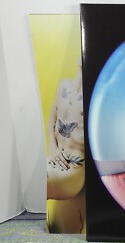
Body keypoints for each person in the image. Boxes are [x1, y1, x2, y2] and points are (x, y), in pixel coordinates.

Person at [46, 57, 86, 233]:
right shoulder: (64, 85)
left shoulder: (94, 99)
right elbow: (51, 119)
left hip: (71, 171)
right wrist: (53, 149)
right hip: (53, 159)